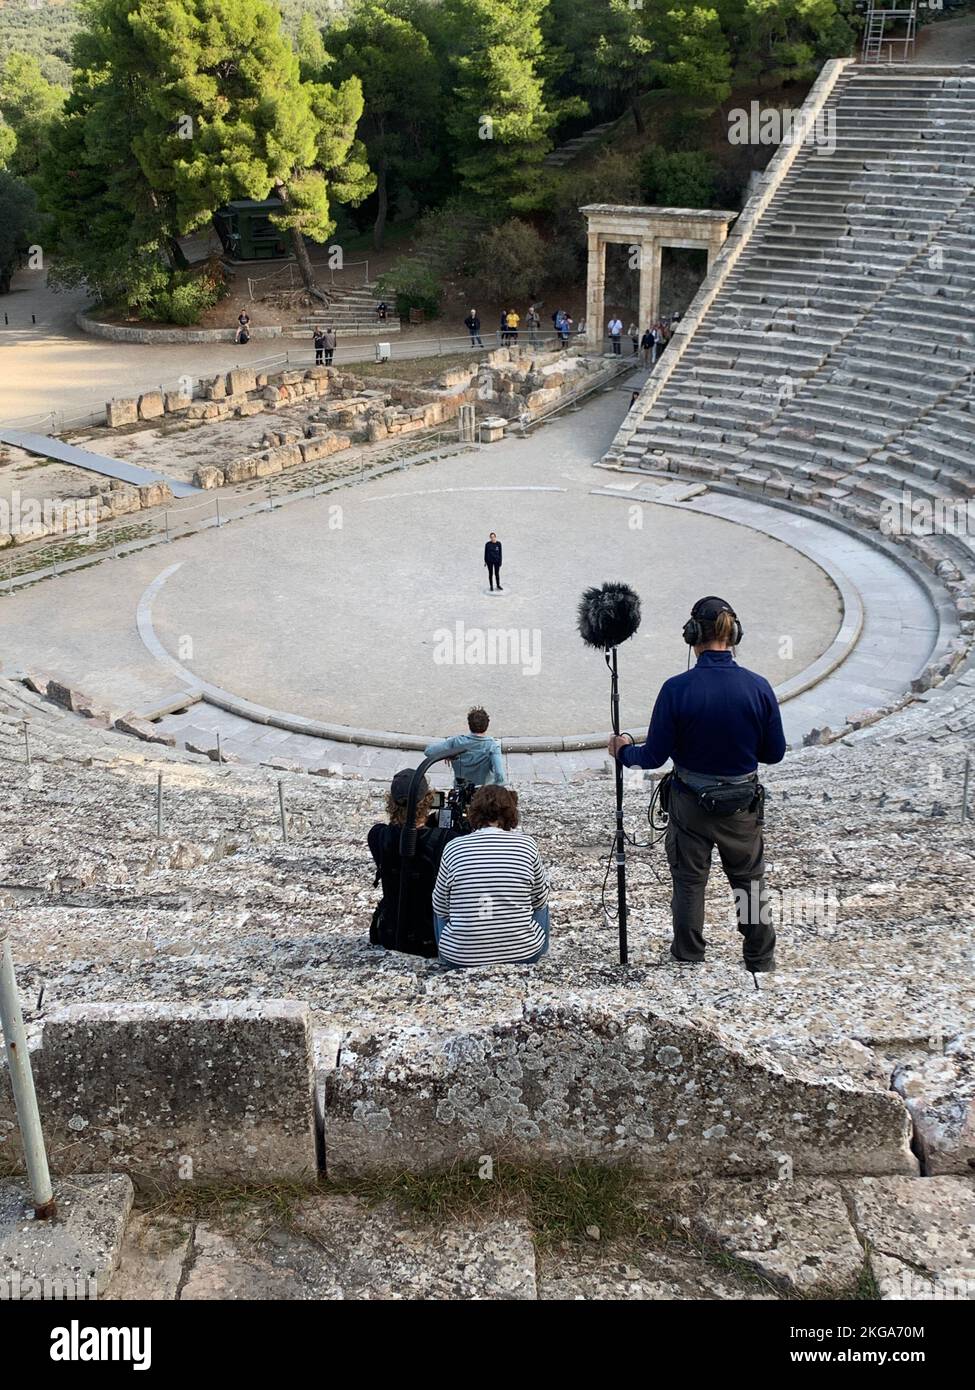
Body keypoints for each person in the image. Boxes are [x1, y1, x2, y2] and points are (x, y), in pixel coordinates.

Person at [608, 596, 785, 975]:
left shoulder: (676, 689)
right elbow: (774, 753)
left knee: (689, 883)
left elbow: (652, 757)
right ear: (734, 635)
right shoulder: (759, 687)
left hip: (690, 805)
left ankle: (688, 957)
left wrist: (623, 753)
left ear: (692, 636)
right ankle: (759, 959)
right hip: (741, 806)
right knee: (750, 884)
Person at [432, 785, 550, 968]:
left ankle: (457, 946)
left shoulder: (454, 847)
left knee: (438, 902)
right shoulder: (527, 844)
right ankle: (527, 944)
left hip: (460, 958)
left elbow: (440, 906)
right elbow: (539, 901)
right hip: (524, 953)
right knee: (542, 897)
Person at [368, 769, 455, 958]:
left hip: (392, 933)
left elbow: (406, 837)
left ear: (391, 802)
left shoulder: (378, 836)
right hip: (433, 936)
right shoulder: (447, 840)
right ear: (429, 800)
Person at [425, 706, 505, 789]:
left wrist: (447, 754)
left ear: (469, 724)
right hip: (483, 792)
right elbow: (499, 774)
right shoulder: (493, 746)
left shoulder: (456, 741)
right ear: (487, 725)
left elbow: (428, 751)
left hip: (461, 790)